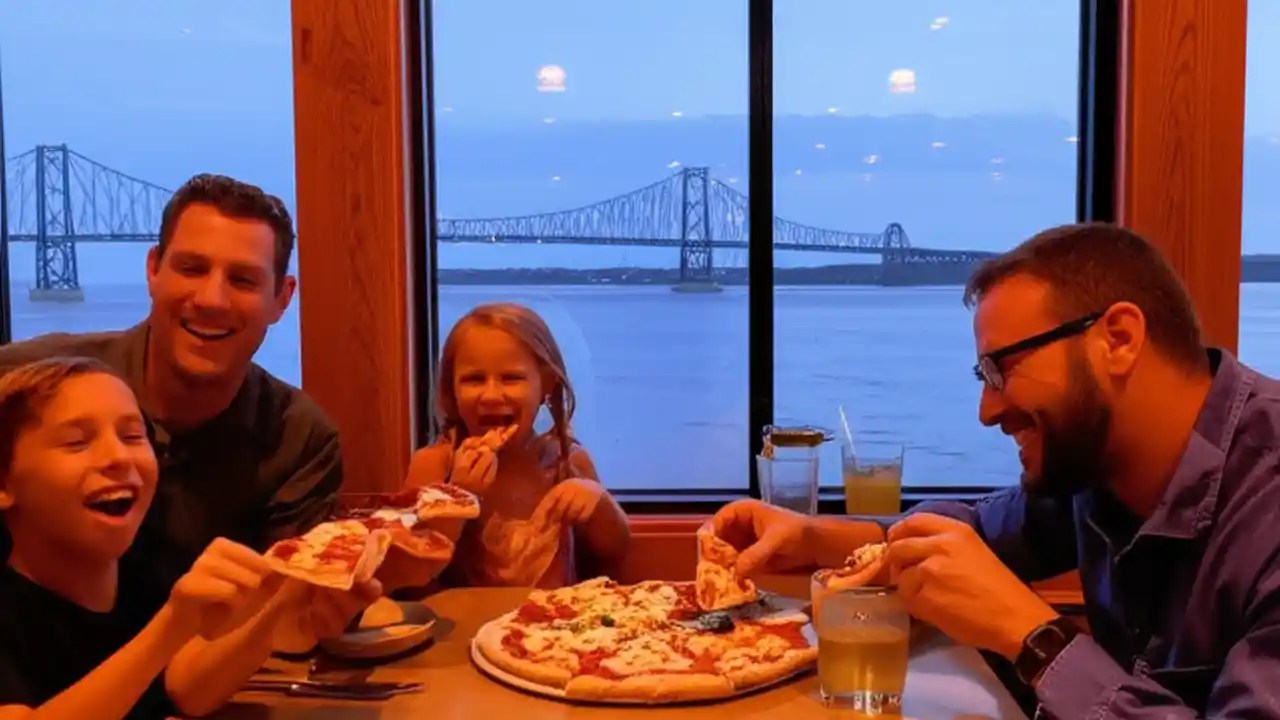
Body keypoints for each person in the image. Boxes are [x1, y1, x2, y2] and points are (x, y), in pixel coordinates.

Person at [713, 223, 1280, 718]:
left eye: (1000, 369)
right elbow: (974, 533)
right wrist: (813, 537)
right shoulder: (1097, 470)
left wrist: (1035, 638)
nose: (987, 412)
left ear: (1119, 339)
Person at [0, 173, 374, 645]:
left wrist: (356, 589)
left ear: (282, 299)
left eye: (242, 279)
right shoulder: (25, 380)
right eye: (192, 268)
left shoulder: (299, 439)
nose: (212, 299)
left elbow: (287, 622)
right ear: (153, 270)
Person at [0, 356, 323, 719]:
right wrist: (169, 627)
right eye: (77, 442)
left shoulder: (146, 566)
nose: (119, 457)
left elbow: (187, 689)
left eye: (132, 436)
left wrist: (280, 600)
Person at [405, 302, 630, 587]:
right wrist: (456, 498)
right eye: (474, 379)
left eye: (512, 378)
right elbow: (409, 579)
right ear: (452, 390)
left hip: (554, 625)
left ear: (546, 385)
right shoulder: (435, 465)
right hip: (466, 627)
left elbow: (617, 549)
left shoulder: (568, 462)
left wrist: (599, 502)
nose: (491, 394)